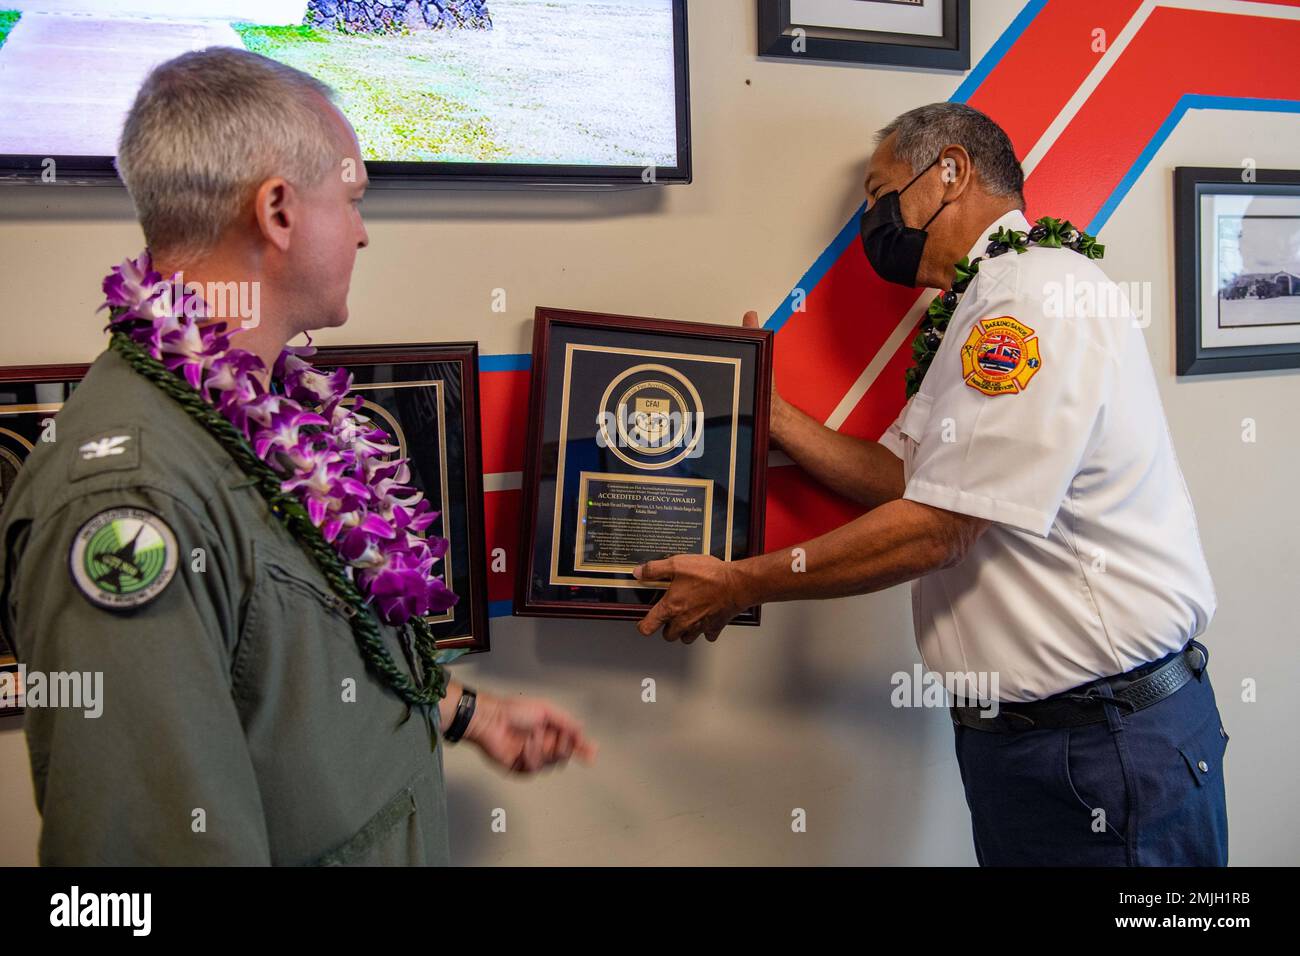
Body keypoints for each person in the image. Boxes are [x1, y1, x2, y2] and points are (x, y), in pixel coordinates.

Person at [0, 48, 595, 866]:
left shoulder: (274, 409)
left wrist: (465, 712)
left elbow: (287, 663)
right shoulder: (129, 500)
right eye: (352, 200)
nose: (362, 231)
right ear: (278, 211)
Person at [634, 102, 1227, 866]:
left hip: (1101, 744)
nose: (871, 223)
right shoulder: (977, 306)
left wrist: (738, 584)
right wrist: (775, 417)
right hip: (1039, 744)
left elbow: (941, 527)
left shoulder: (1029, 297)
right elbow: (907, 481)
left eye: (880, 195)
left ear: (951, 171)